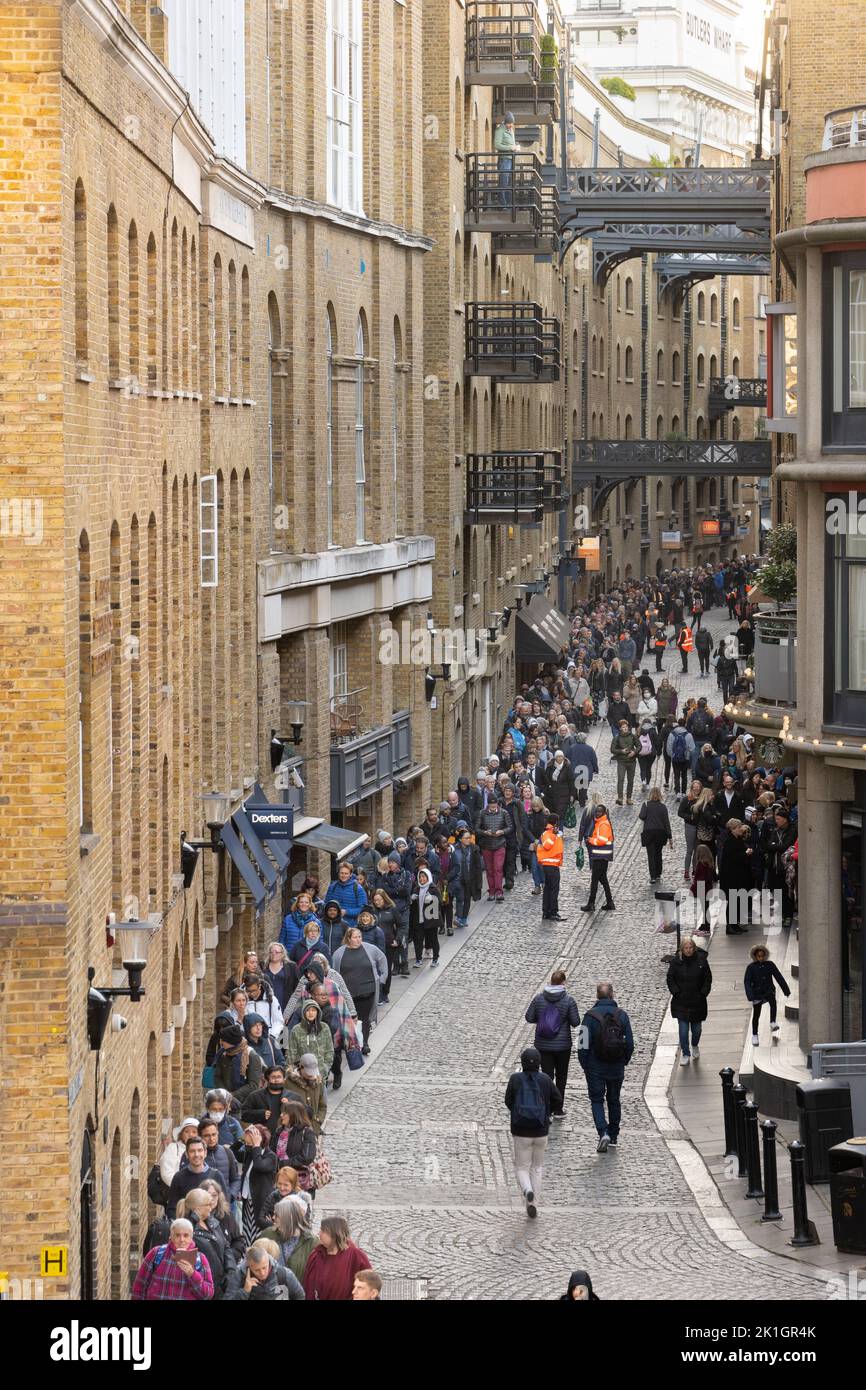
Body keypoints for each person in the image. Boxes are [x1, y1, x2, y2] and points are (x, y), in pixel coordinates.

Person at [504, 1047, 561, 1219]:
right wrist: (546, 1113)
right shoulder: (545, 1080)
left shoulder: (515, 1079)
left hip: (521, 1131)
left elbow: (508, 1101)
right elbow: (558, 1099)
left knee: (522, 1167)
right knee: (537, 1168)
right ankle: (533, 1203)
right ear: (539, 1063)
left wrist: (517, 1113)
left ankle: (527, 1190)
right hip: (541, 1131)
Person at [578, 981, 634, 1153]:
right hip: (616, 1066)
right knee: (614, 1099)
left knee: (596, 1100)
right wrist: (623, 1061)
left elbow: (582, 1044)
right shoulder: (622, 1016)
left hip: (595, 1067)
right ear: (612, 995)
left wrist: (585, 1065)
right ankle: (614, 1134)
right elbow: (630, 1043)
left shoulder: (590, 1017)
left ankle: (603, 1132)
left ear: (597, 996)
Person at [524, 969, 581, 1119]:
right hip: (563, 1046)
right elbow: (576, 1022)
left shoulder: (539, 999)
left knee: (547, 1076)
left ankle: (547, 1109)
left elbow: (529, 1017)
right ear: (563, 982)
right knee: (561, 1077)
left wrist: (543, 1019)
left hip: (543, 1044)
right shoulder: (568, 1000)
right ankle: (558, 1109)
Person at [332, 925, 387, 1052]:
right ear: (348, 939)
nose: (358, 940)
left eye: (359, 937)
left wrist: (382, 979)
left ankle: (365, 1043)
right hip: (347, 993)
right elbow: (334, 971)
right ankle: (350, 1043)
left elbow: (382, 959)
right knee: (349, 1018)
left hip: (367, 990)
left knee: (364, 1018)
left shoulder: (370, 949)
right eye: (355, 937)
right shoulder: (339, 953)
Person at [132, 1217, 215, 1301]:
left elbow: (207, 1295)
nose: (182, 1240)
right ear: (171, 1236)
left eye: (186, 1235)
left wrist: (192, 1274)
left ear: (191, 1238)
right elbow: (140, 1285)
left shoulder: (200, 1259)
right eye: (177, 1235)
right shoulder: (157, 1253)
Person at [176, 1188, 236, 1300]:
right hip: (201, 1287)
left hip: (220, 1285)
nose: (211, 1207)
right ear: (197, 1208)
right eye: (207, 1204)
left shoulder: (212, 1221)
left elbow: (226, 1245)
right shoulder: (186, 1228)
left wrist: (231, 1270)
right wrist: (193, 1219)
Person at [666, 937, 713, 1066]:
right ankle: (685, 1053)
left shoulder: (701, 961)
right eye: (686, 948)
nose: (688, 950)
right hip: (681, 1002)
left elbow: (707, 978)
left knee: (697, 1030)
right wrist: (676, 992)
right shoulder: (676, 962)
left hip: (698, 1001)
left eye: (690, 947)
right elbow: (670, 978)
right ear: (682, 949)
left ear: (694, 948)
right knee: (683, 1030)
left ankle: (695, 1045)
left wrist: (703, 993)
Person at [303, 1216, 372, 1301]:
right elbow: (307, 1287)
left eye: (323, 1231)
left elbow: (369, 1288)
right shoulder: (315, 1255)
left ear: (334, 1234)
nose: (319, 1233)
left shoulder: (356, 1256)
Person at [259, 1194, 318, 1286]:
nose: (273, 1218)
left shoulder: (311, 1241)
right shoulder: (268, 1234)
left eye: (277, 1215)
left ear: (288, 1218)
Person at [166, 1135, 228, 1219]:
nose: (196, 1154)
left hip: (212, 1227)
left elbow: (224, 1206)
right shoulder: (179, 1178)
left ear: (205, 1153)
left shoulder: (216, 1176)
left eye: (200, 1150)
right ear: (186, 1154)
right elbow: (172, 1209)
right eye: (192, 1151)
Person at [237, 1124, 277, 1246]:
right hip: (248, 1201)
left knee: (258, 1233)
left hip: (261, 1202)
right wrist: (242, 1138)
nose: (247, 1145)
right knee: (247, 1230)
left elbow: (259, 1166)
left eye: (250, 1141)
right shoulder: (251, 1153)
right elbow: (235, 1152)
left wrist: (256, 1146)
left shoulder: (270, 1156)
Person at [744, 943, 790, 1046]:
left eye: (762, 956)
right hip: (757, 994)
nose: (761, 958)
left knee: (773, 1003)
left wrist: (786, 990)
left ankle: (773, 1021)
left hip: (769, 990)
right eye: (758, 956)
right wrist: (750, 995)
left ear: (765, 955)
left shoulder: (770, 964)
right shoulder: (751, 967)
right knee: (756, 1015)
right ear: (755, 956)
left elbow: (778, 976)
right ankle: (754, 1035)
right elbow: (747, 981)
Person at [228, 1243, 306, 1301]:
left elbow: (300, 1295)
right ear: (249, 1266)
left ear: (268, 1261)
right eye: (257, 1270)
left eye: (264, 1267)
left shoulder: (284, 1274)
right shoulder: (239, 1276)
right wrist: (245, 1291)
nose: (262, 1273)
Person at [212, 1023, 264, 1104]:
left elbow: (253, 1084)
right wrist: (224, 1093)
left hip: (246, 1102)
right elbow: (217, 1076)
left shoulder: (251, 1055)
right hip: (225, 1100)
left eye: (223, 1040)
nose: (221, 1042)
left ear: (231, 1042)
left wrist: (232, 1095)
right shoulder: (223, 1054)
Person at [718, 818, 753, 933]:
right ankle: (730, 926)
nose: (740, 829)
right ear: (732, 829)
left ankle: (735, 924)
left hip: (738, 876)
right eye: (738, 827)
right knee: (733, 902)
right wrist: (745, 853)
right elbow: (734, 857)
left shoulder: (737, 839)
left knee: (737, 901)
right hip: (731, 878)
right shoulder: (729, 841)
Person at [285, 997, 335, 1078]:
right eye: (308, 1010)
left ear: (317, 1012)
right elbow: (292, 1054)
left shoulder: (324, 1027)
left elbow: (329, 1050)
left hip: (320, 1074)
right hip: (302, 1074)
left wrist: (325, 1068)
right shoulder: (296, 1030)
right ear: (303, 1012)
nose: (310, 1013)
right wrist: (292, 1072)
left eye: (313, 1010)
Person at [581, 803, 615, 912]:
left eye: (599, 811)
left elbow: (602, 840)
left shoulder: (603, 824)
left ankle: (591, 903)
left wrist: (590, 840)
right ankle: (610, 902)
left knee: (595, 880)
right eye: (596, 811)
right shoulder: (600, 823)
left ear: (604, 813)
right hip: (601, 856)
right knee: (603, 879)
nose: (597, 813)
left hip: (600, 857)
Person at [476, 793, 510, 902]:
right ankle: (491, 891)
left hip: (500, 843)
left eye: (494, 804)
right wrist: (485, 832)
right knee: (489, 869)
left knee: (498, 868)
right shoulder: (482, 813)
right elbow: (476, 828)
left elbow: (510, 826)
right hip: (486, 844)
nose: (493, 807)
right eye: (491, 805)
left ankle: (499, 891)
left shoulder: (504, 813)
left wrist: (502, 831)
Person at [408, 863, 443, 968]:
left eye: (423, 877)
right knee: (418, 940)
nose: (422, 879)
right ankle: (419, 959)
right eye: (420, 877)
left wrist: (432, 899)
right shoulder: (416, 889)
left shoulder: (433, 888)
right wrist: (411, 899)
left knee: (433, 939)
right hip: (418, 919)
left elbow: (440, 902)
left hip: (431, 920)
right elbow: (412, 905)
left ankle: (435, 958)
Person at [639, 786, 672, 884]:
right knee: (658, 853)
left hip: (649, 832)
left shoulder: (646, 805)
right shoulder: (663, 807)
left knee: (651, 855)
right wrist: (670, 837)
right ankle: (658, 873)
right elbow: (667, 822)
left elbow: (642, 816)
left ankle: (652, 876)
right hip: (660, 833)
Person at [323, 860, 368, 929]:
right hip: (333, 924)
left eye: (346, 873)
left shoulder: (358, 889)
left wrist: (346, 912)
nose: (343, 875)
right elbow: (326, 904)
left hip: (351, 926)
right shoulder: (333, 887)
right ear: (338, 873)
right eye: (342, 873)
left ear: (350, 874)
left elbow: (363, 909)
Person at [536, 820, 565, 922]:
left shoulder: (548, 833)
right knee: (553, 889)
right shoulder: (549, 834)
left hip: (549, 865)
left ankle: (546, 912)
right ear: (555, 824)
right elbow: (548, 846)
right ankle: (553, 912)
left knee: (548, 889)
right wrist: (554, 835)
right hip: (550, 865)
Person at [610, 719, 638, 806]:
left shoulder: (633, 736)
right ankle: (620, 798)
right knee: (621, 779)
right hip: (621, 761)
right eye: (623, 727)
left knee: (630, 780)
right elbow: (612, 749)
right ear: (620, 728)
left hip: (632, 761)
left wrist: (634, 752)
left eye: (626, 727)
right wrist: (621, 751)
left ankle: (629, 798)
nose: (625, 728)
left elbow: (639, 746)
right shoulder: (617, 738)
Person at [567, 731, 598, 807]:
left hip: (574, 771)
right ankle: (582, 802)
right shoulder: (589, 749)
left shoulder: (572, 748)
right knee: (583, 789)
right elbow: (594, 760)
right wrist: (595, 769)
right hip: (585, 771)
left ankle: (572, 802)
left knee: (574, 788)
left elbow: (567, 759)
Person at [494, 111, 517, 208]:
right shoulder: (500, 130)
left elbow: (510, 143)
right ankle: (502, 204)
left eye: (512, 123)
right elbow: (496, 145)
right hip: (504, 160)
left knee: (509, 182)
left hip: (511, 159)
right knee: (503, 181)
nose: (511, 125)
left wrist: (515, 147)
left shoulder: (510, 130)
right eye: (510, 123)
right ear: (506, 122)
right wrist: (510, 148)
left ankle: (508, 203)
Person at [666, 719, 694, 796]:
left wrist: (672, 755)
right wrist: (687, 755)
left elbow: (668, 747)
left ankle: (678, 791)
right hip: (685, 759)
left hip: (675, 759)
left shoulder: (672, 734)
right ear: (685, 724)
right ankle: (684, 792)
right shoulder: (688, 735)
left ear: (678, 724)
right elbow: (692, 749)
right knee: (684, 775)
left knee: (676, 774)